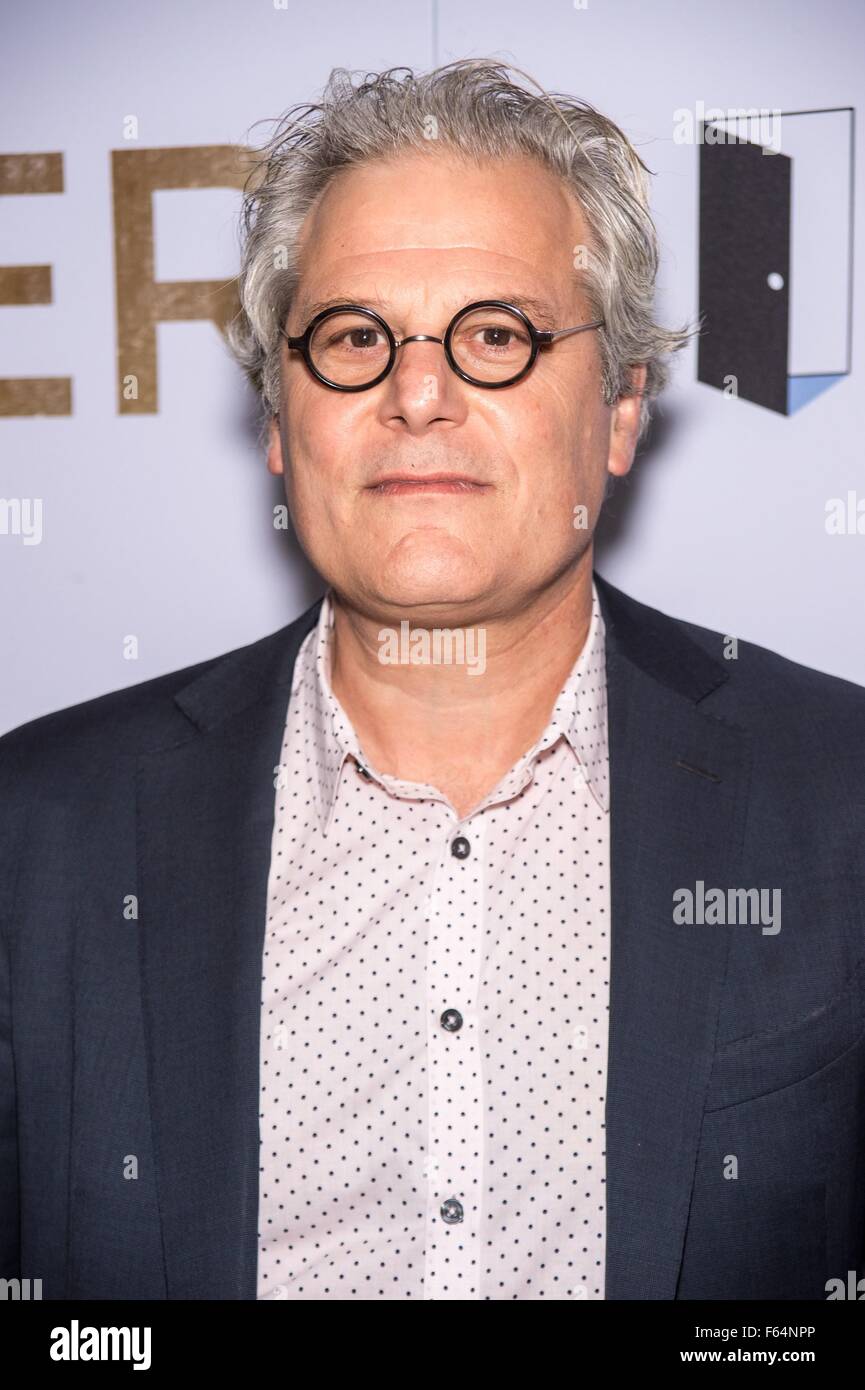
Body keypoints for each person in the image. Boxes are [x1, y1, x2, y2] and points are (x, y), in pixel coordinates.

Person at [1, 59, 863, 1302]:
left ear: (621, 406)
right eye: (354, 337)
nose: (417, 394)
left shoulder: (836, 793)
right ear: (276, 420)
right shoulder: (42, 829)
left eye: (497, 335)